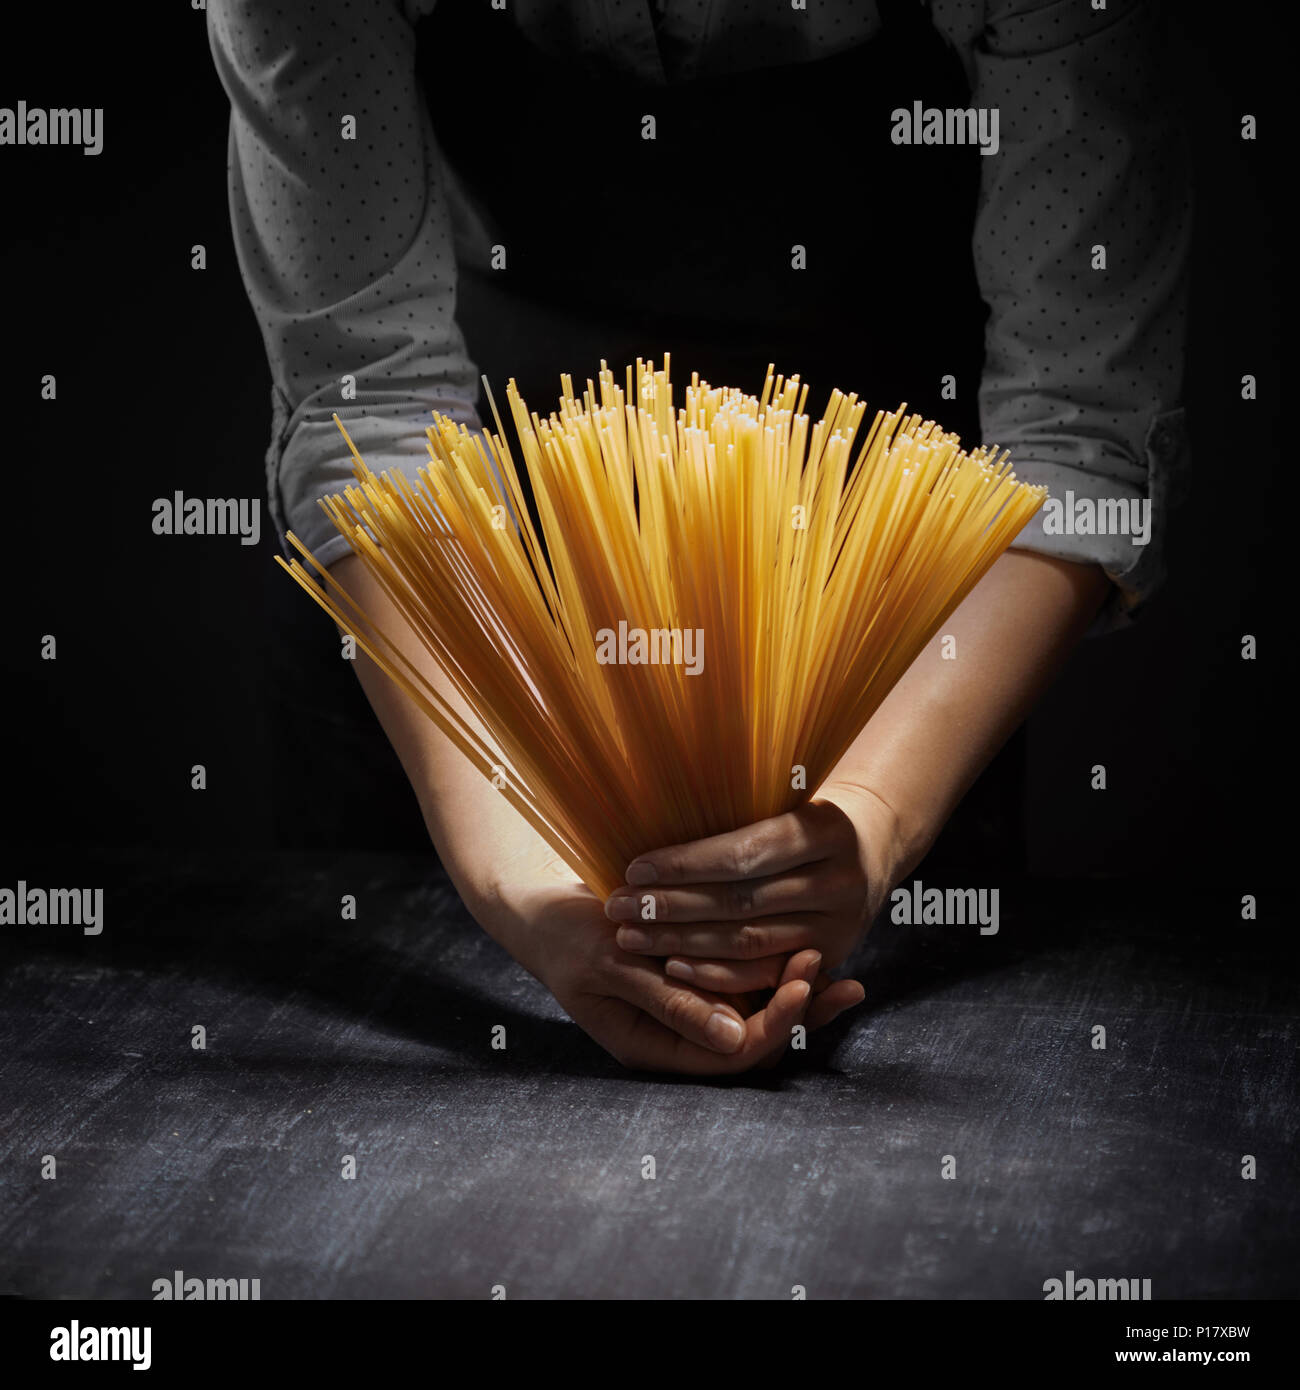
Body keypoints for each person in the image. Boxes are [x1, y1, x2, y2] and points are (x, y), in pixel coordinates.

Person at [207, 0, 1189, 1072]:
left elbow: (1075, 431)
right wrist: (514, 875)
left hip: (894, 629)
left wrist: (869, 820)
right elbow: (371, 410)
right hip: (444, 618)